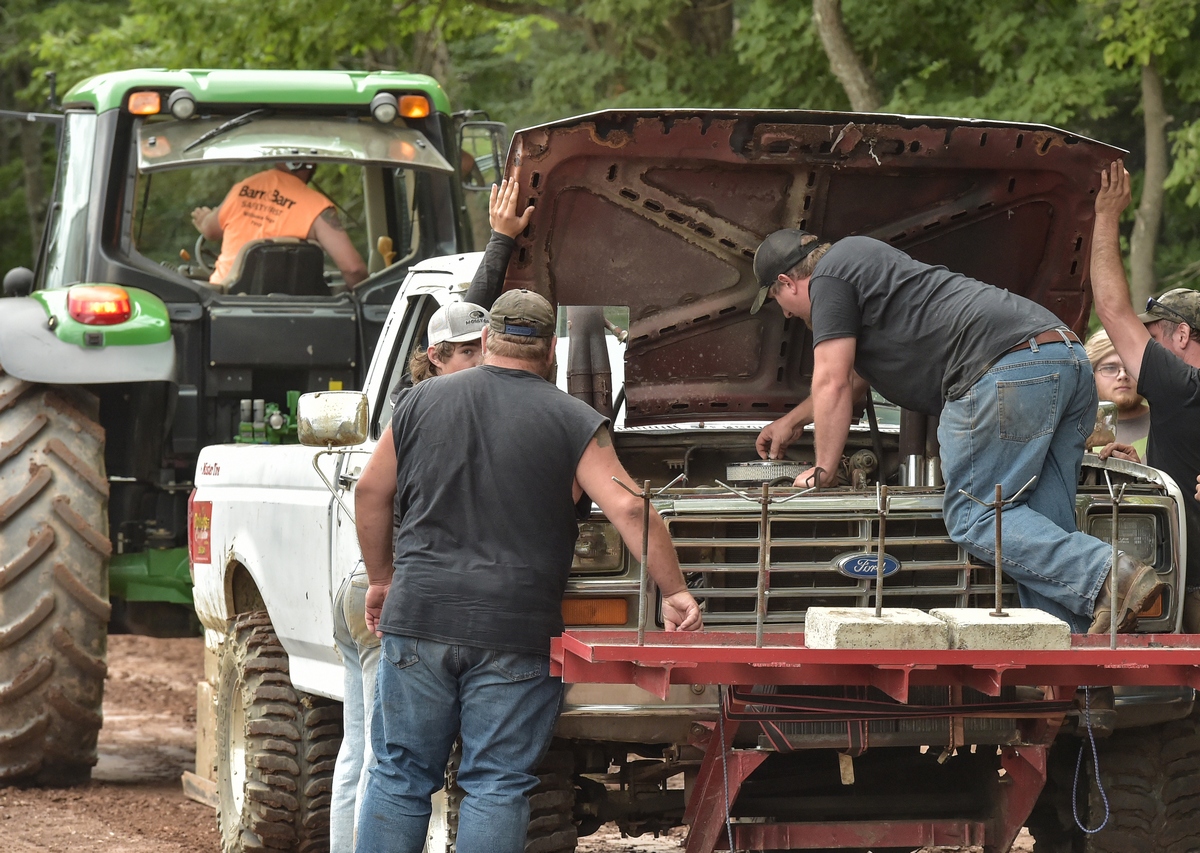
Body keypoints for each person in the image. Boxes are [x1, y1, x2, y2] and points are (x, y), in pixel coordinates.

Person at [353, 289, 701, 853]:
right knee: (496, 782)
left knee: (400, 775)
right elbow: (631, 508)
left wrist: (381, 579)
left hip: (419, 616)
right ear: (551, 356)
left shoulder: (419, 402)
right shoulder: (573, 419)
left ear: (487, 340)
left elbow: (371, 491)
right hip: (515, 630)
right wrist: (675, 591)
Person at [750, 228, 1165, 635]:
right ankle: (1073, 675)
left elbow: (832, 379)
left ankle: (1112, 572)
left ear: (787, 282)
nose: (787, 314)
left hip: (1004, 370)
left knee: (976, 516)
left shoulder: (829, 277)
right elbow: (855, 379)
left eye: (778, 301)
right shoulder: (861, 261)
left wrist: (823, 470)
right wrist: (794, 420)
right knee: (1040, 530)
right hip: (1062, 356)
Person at [329, 301, 489, 851]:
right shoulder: (424, 408)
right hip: (390, 594)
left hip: (383, 589)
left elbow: (468, 308)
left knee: (366, 752)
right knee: (391, 763)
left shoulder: (422, 402)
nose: (482, 357)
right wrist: (384, 580)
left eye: (486, 344)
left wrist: (501, 242)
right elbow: (373, 493)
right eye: (468, 351)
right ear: (436, 357)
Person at [1090, 160, 1200, 632]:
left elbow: (1112, 309)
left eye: (1151, 334)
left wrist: (1107, 216)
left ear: (1180, 335)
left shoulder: (1182, 387)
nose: (1142, 346)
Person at [191, 162, 368, 289]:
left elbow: (210, 230)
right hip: (295, 310)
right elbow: (353, 269)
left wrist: (204, 218)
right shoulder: (318, 207)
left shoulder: (243, 188)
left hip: (225, 300)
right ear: (307, 164)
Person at [1084, 328, 1150, 461]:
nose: (1122, 375)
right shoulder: (1076, 426)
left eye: (1131, 366)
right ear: (1091, 375)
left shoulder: (1168, 422)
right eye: (1110, 368)